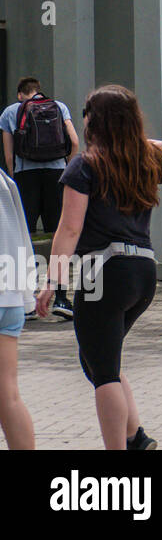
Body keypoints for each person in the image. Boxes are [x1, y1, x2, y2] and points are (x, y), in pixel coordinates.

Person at [36, 85, 162, 449]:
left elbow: (69, 228)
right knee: (97, 357)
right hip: (143, 273)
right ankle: (137, 437)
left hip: (104, 274)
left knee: (104, 370)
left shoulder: (85, 165)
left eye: (86, 112)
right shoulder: (148, 159)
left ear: (95, 121)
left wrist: (52, 281)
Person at [1, 77, 79, 320]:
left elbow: (9, 154)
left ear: (19, 94)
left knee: (22, 238)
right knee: (60, 234)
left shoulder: (10, 112)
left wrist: (16, 178)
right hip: (57, 174)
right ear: (38, 90)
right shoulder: (59, 106)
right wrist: (67, 169)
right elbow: (74, 142)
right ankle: (62, 299)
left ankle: (27, 301)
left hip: (26, 177)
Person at [0, 167, 35, 448]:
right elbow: (23, 234)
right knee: (8, 396)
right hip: (9, 298)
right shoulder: (4, 180)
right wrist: (26, 295)